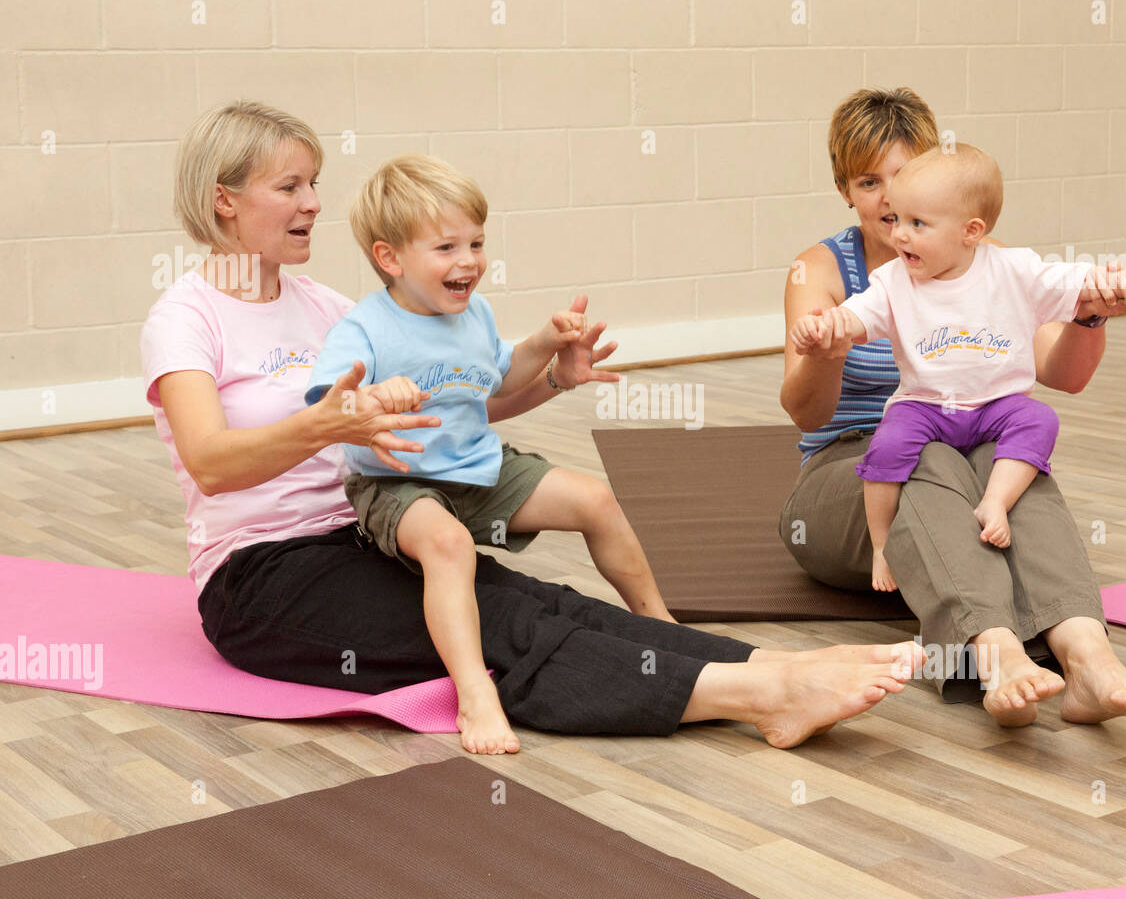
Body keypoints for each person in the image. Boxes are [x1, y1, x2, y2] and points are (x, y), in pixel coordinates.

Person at [141, 99, 921, 755]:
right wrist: (324, 424)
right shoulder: (186, 316)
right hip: (261, 576)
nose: (314, 202)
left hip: (362, 533)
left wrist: (550, 378)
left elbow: (451, 414)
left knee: (544, 599)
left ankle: (760, 662)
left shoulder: (326, 307)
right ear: (225, 200)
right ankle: (765, 693)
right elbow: (210, 463)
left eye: (314, 183)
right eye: (291, 186)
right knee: (508, 624)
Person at [780, 87, 1126, 727]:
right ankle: (993, 653)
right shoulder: (824, 270)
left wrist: (1092, 314)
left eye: (904, 177)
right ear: (845, 189)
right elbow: (807, 415)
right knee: (928, 454)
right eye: (868, 181)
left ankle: (1089, 657)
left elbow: (1060, 377)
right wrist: (828, 345)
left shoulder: (983, 262)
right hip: (852, 472)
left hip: (963, 455)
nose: (887, 199)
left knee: (1018, 465)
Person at [305, 154, 677, 755]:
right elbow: (326, 403)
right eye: (447, 247)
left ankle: (659, 624)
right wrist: (370, 397)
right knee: (449, 546)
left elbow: (501, 380)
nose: (470, 262)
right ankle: (475, 696)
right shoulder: (364, 328)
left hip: (476, 466)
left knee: (596, 499)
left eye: (476, 243)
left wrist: (548, 344)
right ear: (390, 258)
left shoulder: (473, 313)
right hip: (398, 484)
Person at [790, 143, 1126, 594]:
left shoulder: (1003, 266)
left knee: (1034, 435)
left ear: (969, 228)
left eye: (914, 213)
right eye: (869, 183)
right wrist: (825, 335)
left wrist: (1118, 292)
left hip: (983, 418)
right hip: (901, 426)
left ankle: (1064, 614)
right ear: (844, 189)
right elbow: (851, 320)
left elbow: (1075, 288)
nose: (893, 212)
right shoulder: (878, 280)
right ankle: (897, 556)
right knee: (919, 455)